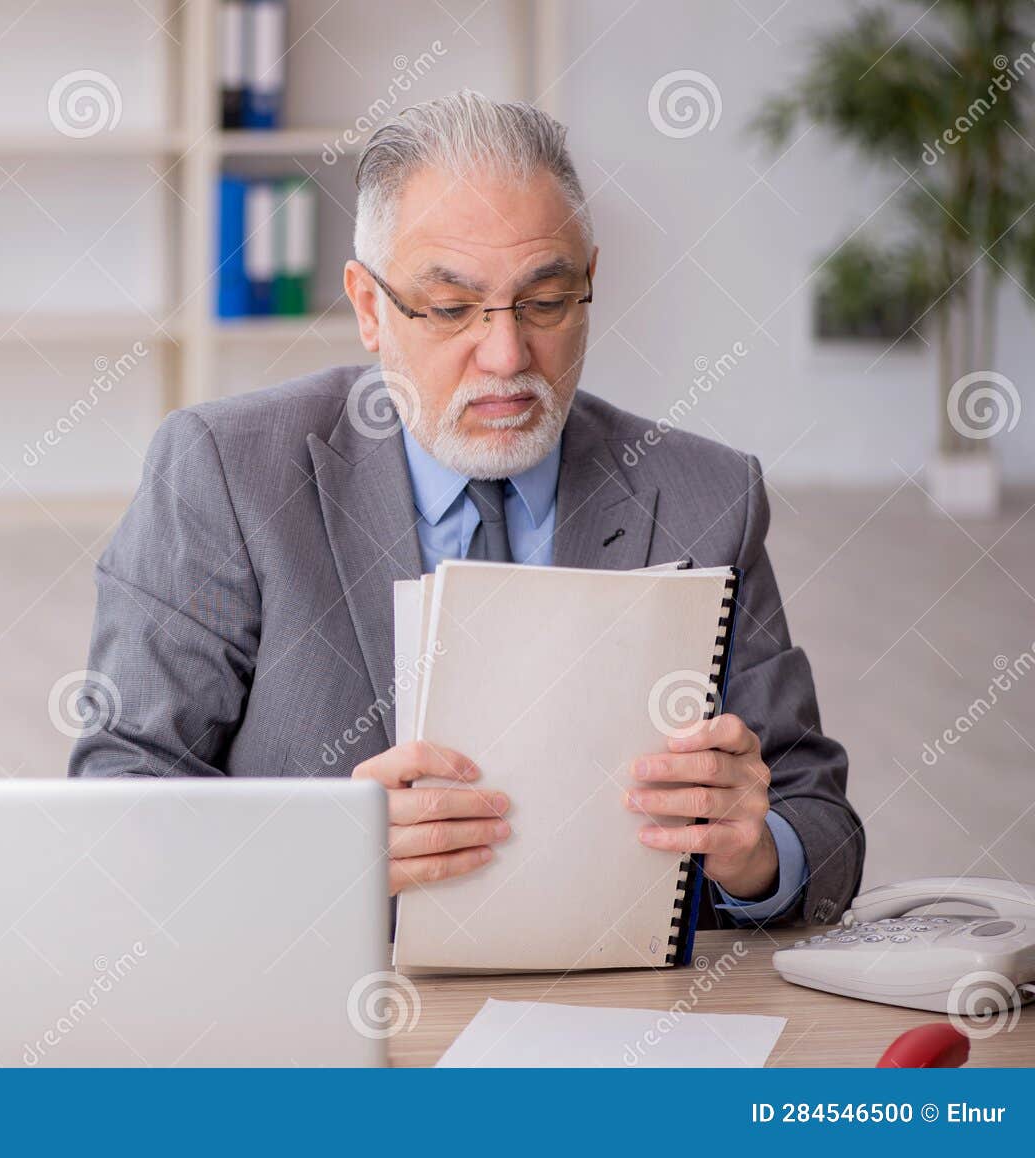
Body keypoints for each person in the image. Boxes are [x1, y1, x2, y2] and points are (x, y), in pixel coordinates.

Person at [69, 91, 862, 926]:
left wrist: (755, 851)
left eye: (545, 302)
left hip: (614, 1017)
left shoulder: (707, 496)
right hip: (322, 1008)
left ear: (589, 282)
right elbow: (119, 802)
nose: (507, 354)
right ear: (371, 308)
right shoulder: (227, 472)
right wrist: (314, 854)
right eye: (451, 310)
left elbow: (825, 829)